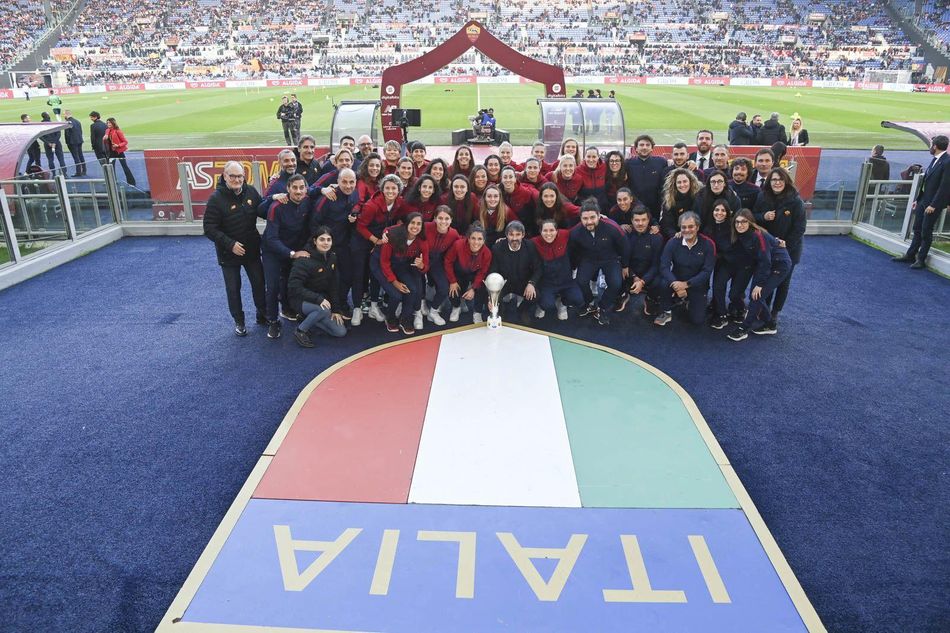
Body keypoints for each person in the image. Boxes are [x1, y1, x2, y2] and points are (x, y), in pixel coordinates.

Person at [202, 161, 265, 336]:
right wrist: (230, 244)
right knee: (233, 288)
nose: (237, 179)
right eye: (233, 176)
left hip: (251, 251)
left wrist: (276, 199)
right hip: (228, 254)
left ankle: (263, 314)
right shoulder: (216, 199)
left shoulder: (251, 191)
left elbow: (263, 210)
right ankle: (239, 321)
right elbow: (209, 228)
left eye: (240, 176)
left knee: (259, 284)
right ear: (225, 176)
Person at [753, 167, 806, 332]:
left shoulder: (796, 201)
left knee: (783, 283)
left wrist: (786, 244)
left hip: (789, 250)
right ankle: (764, 309)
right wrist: (763, 216)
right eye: (774, 179)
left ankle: (774, 314)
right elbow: (754, 216)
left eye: (780, 180)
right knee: (765, 278)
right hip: (768, 248)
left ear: (786, 181)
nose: (777, 183)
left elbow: (800, 228)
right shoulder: (763, 196)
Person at [727, 209, 793, 341]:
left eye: (744, 222)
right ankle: (770, 324)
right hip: (764, 265)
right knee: (755, 295)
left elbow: (766, 261)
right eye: (737, 222)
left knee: (756, 296)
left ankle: (744, 328)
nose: (740, 225)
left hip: (779, 265)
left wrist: (760, 284)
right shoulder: (740, 234)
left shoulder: (758, 235)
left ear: (750, 222)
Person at [262, 174, 314, 339]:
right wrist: (292, 253)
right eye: (295, 188)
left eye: (301, 188)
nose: (298, 191)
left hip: (294, 248)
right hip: (273, 251)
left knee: (292, 282)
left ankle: (288, 309)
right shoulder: (276, 206)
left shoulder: (307, 202)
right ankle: (272, 321)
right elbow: (271, 238)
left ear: (306, 189)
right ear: (288, 189)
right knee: (273, 287)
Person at [893, 135, 950, 269]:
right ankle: (910, 254)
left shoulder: (947, 162)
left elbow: (944, 187)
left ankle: (921, 259)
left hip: (932, 204)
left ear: (935, 146)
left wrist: (933, 205)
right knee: (917, 228)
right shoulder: (936, 160)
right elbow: (927, 183)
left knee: (926, 230)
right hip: (924, 201)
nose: (930, 147)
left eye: (931, 145)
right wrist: (918, 200)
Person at [354, 174, 406, 322]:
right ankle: (357, 307)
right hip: (363, 241)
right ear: (382, 189)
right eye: (387, 188)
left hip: (381, 242)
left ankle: (374, 306)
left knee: (375, 276)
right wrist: (375, 240)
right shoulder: (372, 206)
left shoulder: (399, 203)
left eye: (394, 188)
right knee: (359, 275)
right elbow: (360, 226)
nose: (390, 191)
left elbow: (400, 220)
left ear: (399, 190)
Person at [311, 168, 359, 322]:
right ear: (337, 182)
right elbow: (313, 223)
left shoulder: (355, 195)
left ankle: (342, 303)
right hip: (326, 246)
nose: (348, 185)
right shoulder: (328, 197)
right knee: (329, 278)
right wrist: (319, 245)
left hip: (344, 244)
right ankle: (327, 307)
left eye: (351, 182)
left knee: (347, 275)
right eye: (344, 182)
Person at [569, 199, 628, 326]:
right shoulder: (575, 232)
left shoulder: (612, 227)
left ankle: (603, 307)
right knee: (581, 281)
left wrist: (625, 265)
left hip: (610, 259)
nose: (589, 221)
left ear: (599, 215)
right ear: (580, 218)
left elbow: (624, 246)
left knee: (616, 283)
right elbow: (573, 251)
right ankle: (590, 303)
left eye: (592, 217)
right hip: (588, 259)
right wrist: (574, 267)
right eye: (585, 218)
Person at [287, 226, 348, 347]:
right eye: (322, 239)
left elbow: (333, 285)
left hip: (320, 299)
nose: (326, 243)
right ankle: (301, 331)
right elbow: (294, 287)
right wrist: (318, 299)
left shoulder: (332, 257)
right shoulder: (304, 260)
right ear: (315, 241)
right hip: (300, 299)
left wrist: (336, 309)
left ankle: (309, 317)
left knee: (340, 332)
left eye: (328, 239)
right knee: (323, 310)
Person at [654, 211, 716, 327]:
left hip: (697, 284)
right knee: (662, 283)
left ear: (697, 227)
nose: (687, 230)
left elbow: (707, 272)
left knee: (697, 320)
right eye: (684, 227)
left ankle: (688, 299)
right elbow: (664, 266)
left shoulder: (708, 244)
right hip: (676, 281)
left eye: (691, 226)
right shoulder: (673, 242)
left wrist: (686, 285)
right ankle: (666, 311)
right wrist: (675, 283)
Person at [373, 212, 429, 334]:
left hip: (400, 265)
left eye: (419, 224)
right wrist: (395, 282)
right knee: (396, 294)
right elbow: (384, 262)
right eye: (413, 223)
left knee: (412, 289)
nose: (415, 226)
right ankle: (390, 317)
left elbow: (426, 267)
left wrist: (421, 265)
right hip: (380, 264)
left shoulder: (422, 240)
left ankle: (405, 318)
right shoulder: (393, 235)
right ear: (406, 224)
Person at [702, 199, 746, 329]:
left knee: (725, 288)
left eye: (722, 210)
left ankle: (731, 312)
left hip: (732, 262)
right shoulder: (708, 226)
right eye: (716, 210)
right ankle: (718, 310)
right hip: (716, 261)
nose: (719, 213)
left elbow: (731, 249)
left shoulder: (732, 227)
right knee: (716, 286)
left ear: (728, 213)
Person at [488, 221, 542, 324]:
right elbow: (493, 272)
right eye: (511, 234)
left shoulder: (530, 246)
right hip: (504, 282)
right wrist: (491, 294)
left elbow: (538, 268)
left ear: (523, 235)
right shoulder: (497, 248)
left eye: (518, 234)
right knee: (493, 298)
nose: (514, 238)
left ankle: (522, 310)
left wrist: (531, 283)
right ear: (506, 235)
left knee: (536, 295)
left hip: (523, 282)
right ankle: (501, 311)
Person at [531, 218, 581, 320]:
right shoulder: (533, 242)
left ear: (557, 231)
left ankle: (562, 304)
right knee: (547, 305)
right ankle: (541, 306)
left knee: (578, 299)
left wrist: (599, 217)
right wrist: (503, 241)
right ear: (540, 231)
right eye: (545, 230)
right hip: (547, 283)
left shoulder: (565, 235)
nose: (548, 234)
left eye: (551, 230)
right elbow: (519, 241)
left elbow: (579, 228)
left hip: (565, 281)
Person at [445, 225, 492, 323]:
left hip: (475, 273)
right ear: (468, 238)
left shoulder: (487, 253)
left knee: (482, 286)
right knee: (452, 288)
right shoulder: (458, 245)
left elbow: (482, 272)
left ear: (484, 241)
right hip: (459, 271)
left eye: (479, 239)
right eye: (473, 238)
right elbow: (448, 261)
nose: (476, 242)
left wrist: (473, 288)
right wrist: (452, 281)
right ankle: (456, 307)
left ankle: (477, 312)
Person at [622, 205, 664, 316]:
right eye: (636, 220)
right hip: (631, 273)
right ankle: (622, 294)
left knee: (661, 281)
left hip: (648, 274)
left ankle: (650, 298)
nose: (640, 223)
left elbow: (656, 265)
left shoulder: (657, 238)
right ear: (631, 221)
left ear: (648, 220)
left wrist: (642, 281)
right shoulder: (626, 235)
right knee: (615, 272)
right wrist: (634, 277)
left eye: (643, 220)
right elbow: (622, 259)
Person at [423, 206, 460, 325]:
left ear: (451, 220)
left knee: (444, 287)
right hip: (420, 259)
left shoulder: (453, 233)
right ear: (434, 218)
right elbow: (406, 229)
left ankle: (433, 311)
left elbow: (462, 244)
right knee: (415, 287)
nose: (443, 222)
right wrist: (386, 232)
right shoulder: (425, 227)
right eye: (440, 218)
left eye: (447, 218)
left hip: (437, 262)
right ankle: (416, 309)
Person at [625, 134, 669, 222]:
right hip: (634, 209)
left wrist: (690, 162)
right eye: (641, 145)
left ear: (652, 148)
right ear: (636, 148)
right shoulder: (628, 164)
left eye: (648, 145)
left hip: (655, 209)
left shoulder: (661, 162)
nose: (644, 147)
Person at [659, 168, 702, 239]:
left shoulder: (699, 196)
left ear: (690, 182)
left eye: (685, 181)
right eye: (679, 182)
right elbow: (667, 224)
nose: (682, 185)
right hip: (678, 236)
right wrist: (674, 234)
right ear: (675, 184)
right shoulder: (669, 199)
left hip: (698, 234)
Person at [103, 117, 136, 185]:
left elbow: (125, 142)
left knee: (125, 166)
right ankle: (112, 182)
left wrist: (118, 145)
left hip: (119, 152)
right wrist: (105, 137)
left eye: (109, 122)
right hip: (111, 152)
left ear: (113, 123)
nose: (108, 124)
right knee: (111, 168)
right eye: (107, 123)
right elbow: (106, 134)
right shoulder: (107, 130)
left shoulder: (118, 131)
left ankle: (131, 182)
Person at [63, 110, 85, 177]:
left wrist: (68, 143)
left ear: (66, 115)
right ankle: (84, 170)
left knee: (76, 157)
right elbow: (80, 131)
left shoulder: (68, 123)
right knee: (80, 155)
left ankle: (78, 172)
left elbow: (67, 134)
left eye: (64, 114)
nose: (63, 116)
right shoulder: (77, 121)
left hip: (72, 142)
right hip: (79, 140)